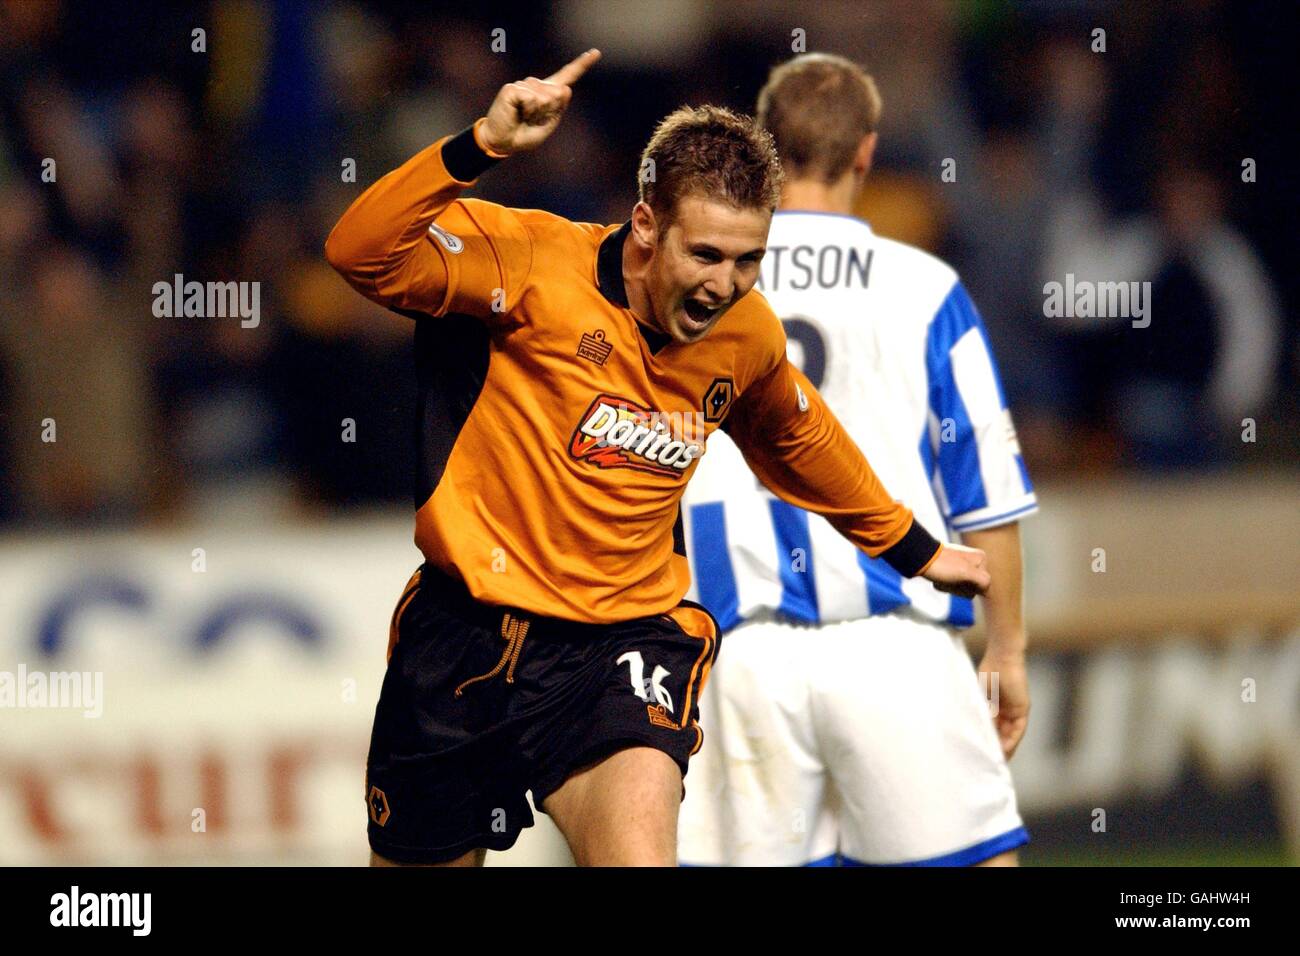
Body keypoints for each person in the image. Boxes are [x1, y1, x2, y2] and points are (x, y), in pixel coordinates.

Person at [325, 49, 989, 867]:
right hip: (462, 641)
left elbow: (800, 443)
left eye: (749, 260)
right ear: (646, 226)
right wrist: (481, 144)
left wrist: (918, 551)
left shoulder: (746, 336)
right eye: (705, 255)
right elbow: (359, 250)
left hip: (621, 650)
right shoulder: (526, 262)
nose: (725, 284)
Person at [678, 53, 1034, 867]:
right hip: (894, 643)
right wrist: (1007, 649)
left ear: (762, 147)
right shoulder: (925, 288)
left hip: (737, 655)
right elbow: (987, 497)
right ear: (866, 153)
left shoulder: (700, 284)